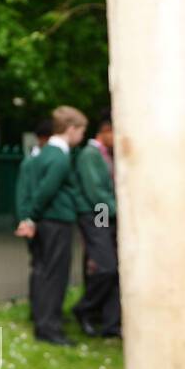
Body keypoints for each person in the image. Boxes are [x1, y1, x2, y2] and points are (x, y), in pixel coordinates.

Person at [22, 106, 88, 345]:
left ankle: (43, 323)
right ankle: (51, 329)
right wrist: (33, 216)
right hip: (56, 221)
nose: (82, 137)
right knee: (56, 276)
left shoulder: (43, 154)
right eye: (81, 131)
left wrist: (31, 218)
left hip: (46, 222)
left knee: (43, 273)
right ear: (71, 129)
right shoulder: (60, 157)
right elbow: (45, 191)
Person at [72, 110, 120, 337]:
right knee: (106, 267)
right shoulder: (91, 155)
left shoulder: (104, 154)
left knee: (113, 270)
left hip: (105, 216)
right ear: (105, 131)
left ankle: (111, 324)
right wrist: (115, 212)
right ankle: (84, 309)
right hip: (97, 216)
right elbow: (96, 193)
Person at [14, 118, 53, 313]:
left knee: (41, 266)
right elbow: (23, 195)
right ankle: (38, 310)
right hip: (33, 221)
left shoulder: (36, 160)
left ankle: (40, 309)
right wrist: (26, 220)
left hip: (37, 221)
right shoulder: (31, 163)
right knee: (39, 267)